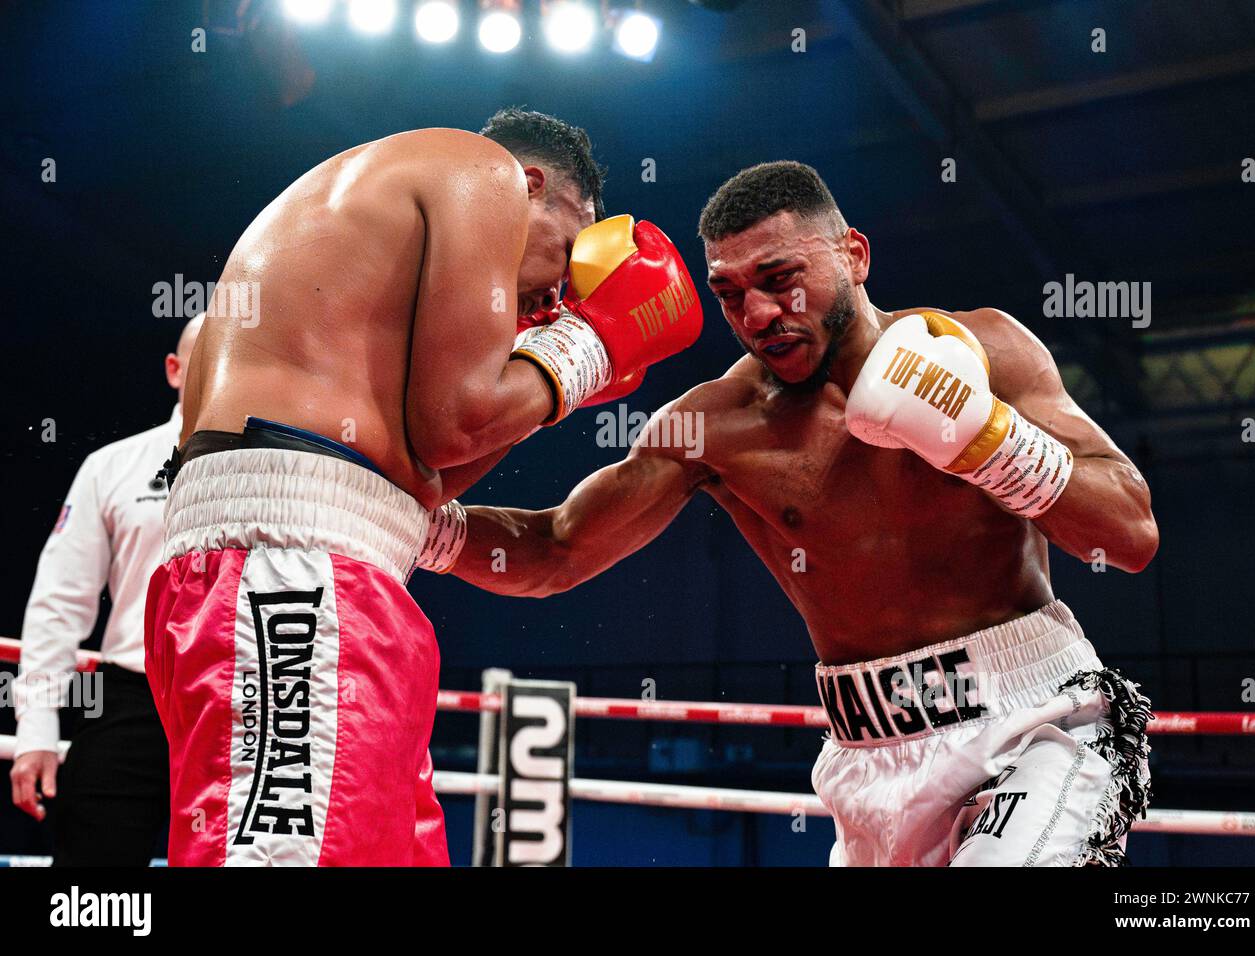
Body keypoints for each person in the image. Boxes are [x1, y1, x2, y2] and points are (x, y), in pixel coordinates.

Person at [440, 161, 1159, 866]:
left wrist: (986, 438)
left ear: (854, 255)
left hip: (1036, 721)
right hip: (866, 757)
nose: (756, 316)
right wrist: (418, 524)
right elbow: (555, 549)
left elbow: (1129, 534)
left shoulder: (984, 351)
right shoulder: (715, 427)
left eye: (781, 280)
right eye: (729, 294)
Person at [145, 109, 702, 866]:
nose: (556, 298)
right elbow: (456, 425)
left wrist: (558, 376)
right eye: (571, 252)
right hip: (292, 575)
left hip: (312, 565)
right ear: (535, 185)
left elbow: (433, 474)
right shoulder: (483, 171)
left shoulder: (355, 250)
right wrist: (592, 343)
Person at [10, 314, 203, 865]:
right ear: (174, 369)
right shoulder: (113, 466)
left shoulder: (281, 471)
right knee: (92, 885)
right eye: (208, 352)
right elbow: (60, 601)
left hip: (244, 704)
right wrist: (38, 728)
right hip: (133, 699)